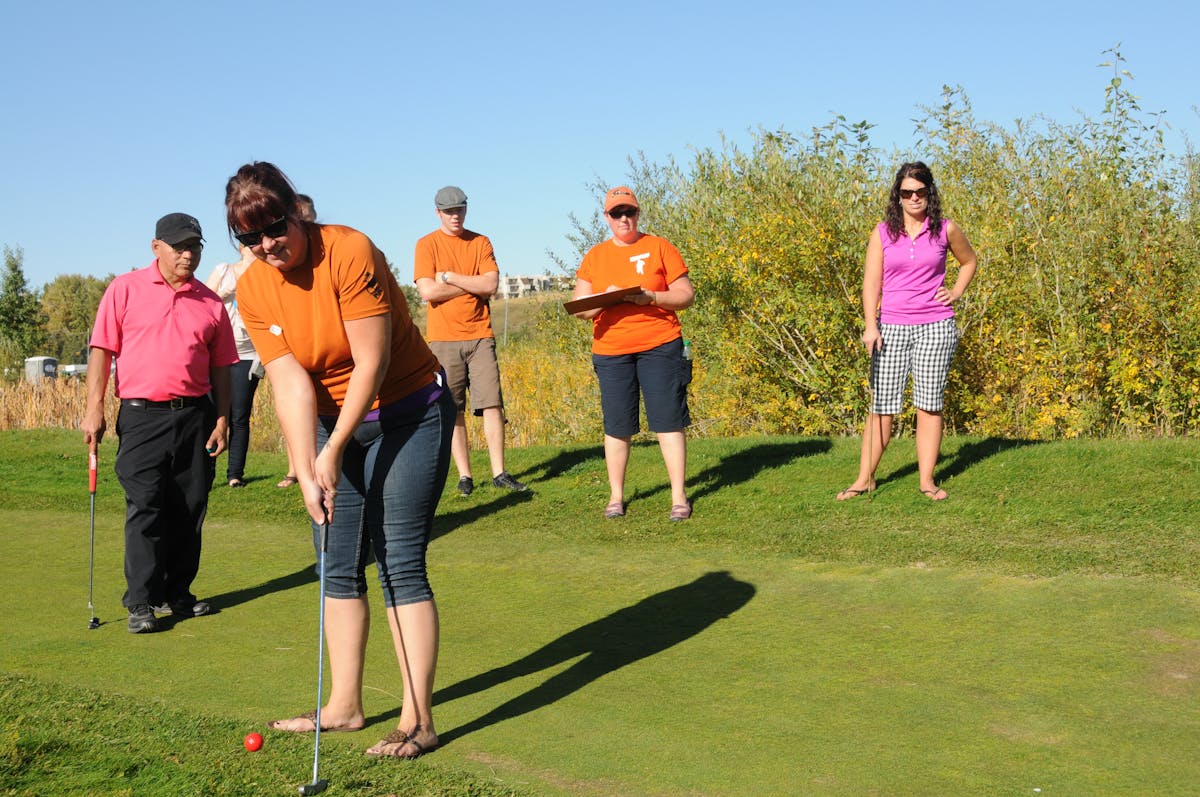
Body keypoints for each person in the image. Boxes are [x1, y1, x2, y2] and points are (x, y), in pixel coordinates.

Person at [227, 162, 453, 760]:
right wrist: (307, 467)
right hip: (333, 424)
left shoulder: (349, 251)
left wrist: (332, 449)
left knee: (399, 559)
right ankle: (344, 706)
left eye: (273, 228)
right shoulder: (253, 286)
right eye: (248, 238)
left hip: (408, 410)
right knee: (335, 563)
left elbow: (371, 363)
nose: (265, 246)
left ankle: (417, 721)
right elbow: (290, 385)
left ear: (295, 214)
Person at [81, 213, 237, 634]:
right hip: (140, 415)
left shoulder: (210, 301)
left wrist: (222, 419)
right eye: (180, 247)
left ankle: (177, 594)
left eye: (196, 247)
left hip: (195, 416)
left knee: (189, 508)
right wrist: (94, 406)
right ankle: (141, 601)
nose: (188, 254)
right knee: (146, 505)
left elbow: (223, 367)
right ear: (157, 248)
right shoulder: (124, 288)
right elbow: (101, 350)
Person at [837, 161, 978, 502]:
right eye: (906, 192)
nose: (914, 197)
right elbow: (871, 283)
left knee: (929, 404)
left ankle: (927, 481)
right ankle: (864, 480)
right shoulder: (883, 232)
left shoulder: (945, 229)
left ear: (930, 193)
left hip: (936, 326)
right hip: (892, 328)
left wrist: (956, 291)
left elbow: (969, 261)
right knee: (882, 405)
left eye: (920, 191)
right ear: (897, 196)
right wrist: (871, 326)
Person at [570, 186, 695, 521]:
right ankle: (615, 498)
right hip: (611, 351)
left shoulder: (660, 246)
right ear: (606, 217)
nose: (624, 219)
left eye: (629, 212)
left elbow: (685, 294)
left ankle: (679, 498)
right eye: (616, 213)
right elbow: (580, 309)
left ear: (638, 213)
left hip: (660, 345)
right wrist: (606, 297)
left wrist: (651, 297)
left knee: (668, 421)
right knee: (617, 425)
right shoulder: (595, 256)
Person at [413, 186, 527, 496]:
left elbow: (490, 284)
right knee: (453, 409)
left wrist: (449, 277)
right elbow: (428, 292)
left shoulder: (480, 242)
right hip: (443, 339)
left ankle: (499, 472)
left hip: (480, 336)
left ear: (466, 209)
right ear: (438, 212)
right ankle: (465, 476)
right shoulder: (426, 245)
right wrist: (471, 285)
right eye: (449, 211)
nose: (455, 215)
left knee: (492, 403)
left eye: (459, 209)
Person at [206, 244, 261, 487]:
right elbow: (201, 305)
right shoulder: (224, 270)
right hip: (217, 353)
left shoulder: (267, 275)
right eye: (249, 243)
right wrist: (225, 293)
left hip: (249, 354)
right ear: (241, 247)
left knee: (240, 416)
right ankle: (206, 471)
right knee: (213, 414)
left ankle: (235, 474)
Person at [275, 192, 318, 489]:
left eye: (309, 219)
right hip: (294, 356)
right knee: (296, 408)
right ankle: (298, 468)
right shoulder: (265, 278)